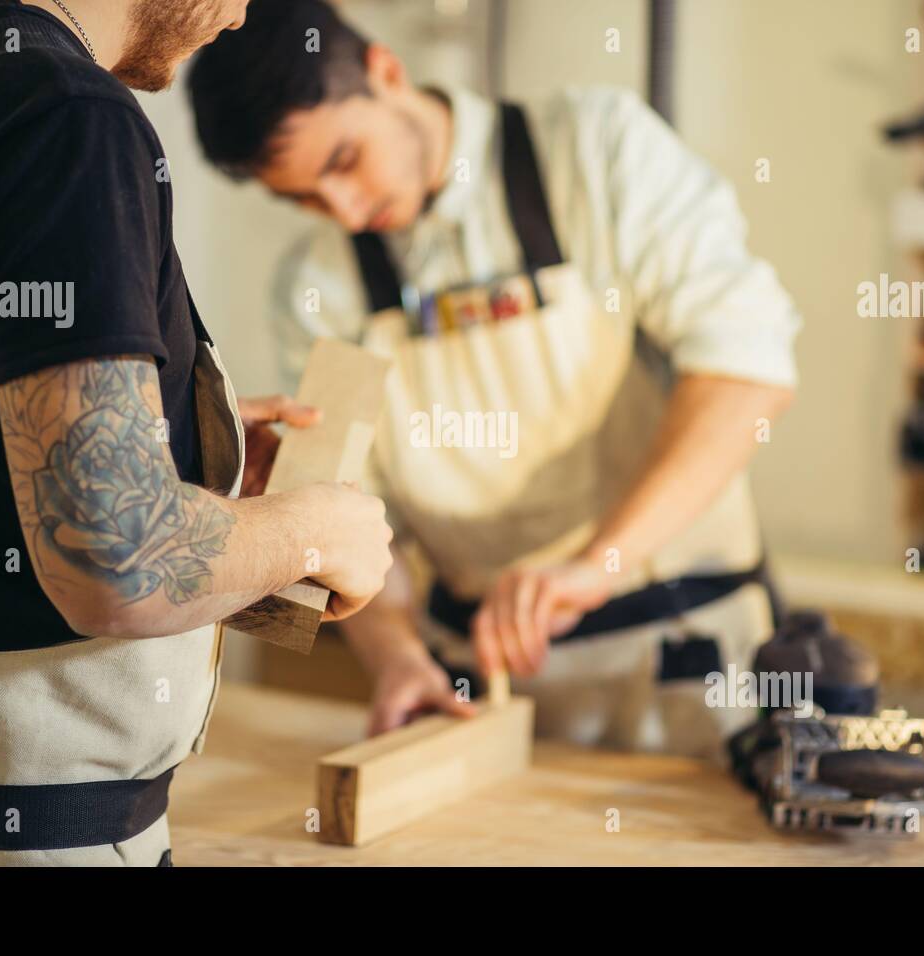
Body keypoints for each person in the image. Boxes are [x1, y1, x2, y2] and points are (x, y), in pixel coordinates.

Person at [0, 0, 392, 866]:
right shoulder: (65, 116)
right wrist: (317, 530)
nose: (238, 17)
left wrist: (190, 452)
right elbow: (116, 558)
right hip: (20, 839)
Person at [188, 0, 799, 752]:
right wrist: (398, 660)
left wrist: (595, 565)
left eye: (343, 162)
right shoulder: (318, 285)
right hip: (479, 680)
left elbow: (746, 374)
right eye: (304, 197)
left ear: (386, 72)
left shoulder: (595, 149)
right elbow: (343, 502)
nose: (343, 211)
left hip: (683, 660)